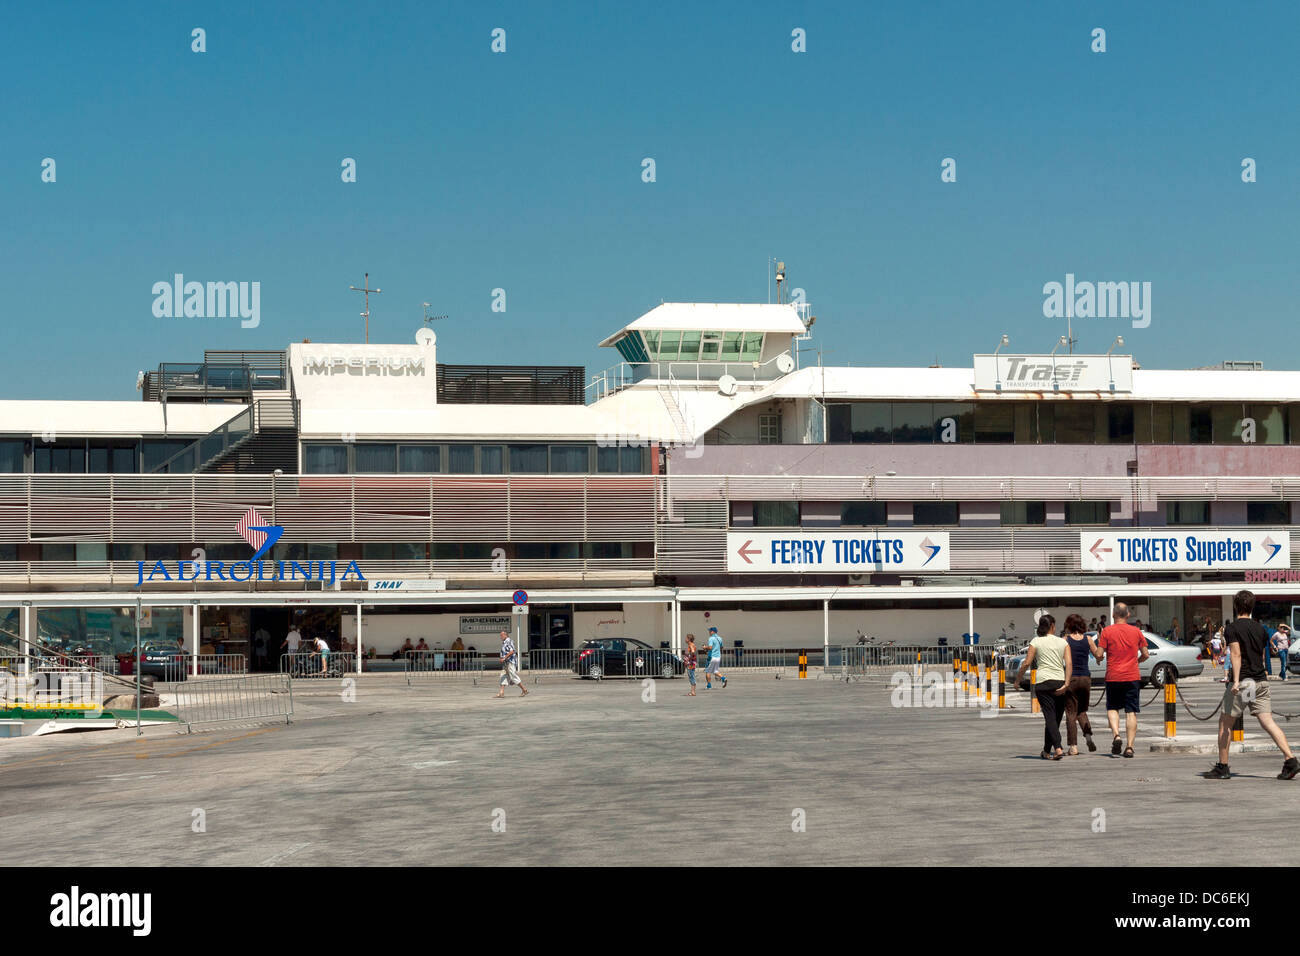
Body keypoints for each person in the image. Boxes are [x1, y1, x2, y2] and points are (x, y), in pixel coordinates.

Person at [1207, 590, 1300, 780]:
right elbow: (1265, 652)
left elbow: (1236, 654)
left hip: (1244, 682)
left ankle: (1223, 767)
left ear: (1236, 606)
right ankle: (1290, 760)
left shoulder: (1232, 628)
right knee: (1268, 722)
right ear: (1252, 607)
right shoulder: (1261, 628)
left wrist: (1235, 681)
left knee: (1225, 724)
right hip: (1260, 681)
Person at [1014, 613, 1070, 759]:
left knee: (1050, 718)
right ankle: (1053, 749)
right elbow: (1069, 664)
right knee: (1055, 719)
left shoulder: (1036, 641)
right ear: (1052, 626)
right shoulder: (1063, 642)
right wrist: (1067, 683)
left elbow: (1026, 663)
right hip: (1059, 681)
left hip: (1042, 683)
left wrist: (1018, 680)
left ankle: (1053, 749)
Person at [1098, 602, 1148, 758]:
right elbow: (1146, 654)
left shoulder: (1106, 631)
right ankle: (1129, 747)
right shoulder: (1136, 631)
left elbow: (1099, 653)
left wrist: (1099, 656)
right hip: (1132, 676)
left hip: (1113, 676)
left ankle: (1116, 735)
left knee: (1112, 708)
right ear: (1128, 615)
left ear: (1113, 615)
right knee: (1131, 711)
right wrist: (1136, 662)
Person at [1062, 614, 1099, 755]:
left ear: (1069, 625)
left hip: (1071, 679)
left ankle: (1073, 746)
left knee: (1071, 713)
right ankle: (1088, 736)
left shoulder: (1066, 640)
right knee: (1082, 711)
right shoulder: (1088, 639)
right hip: (1085, 678)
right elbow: (1098, 655)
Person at [494, 630, 528, 699]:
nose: (500, 636)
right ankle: (501, 692)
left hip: (510, 662)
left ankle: (524, 690)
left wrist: (504, 658)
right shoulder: (504, 642)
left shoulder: (508, 641)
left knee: (513, 676)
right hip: (506, 663)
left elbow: (512, 651)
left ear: (505, 635)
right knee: (503, 676)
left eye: (502, 635)